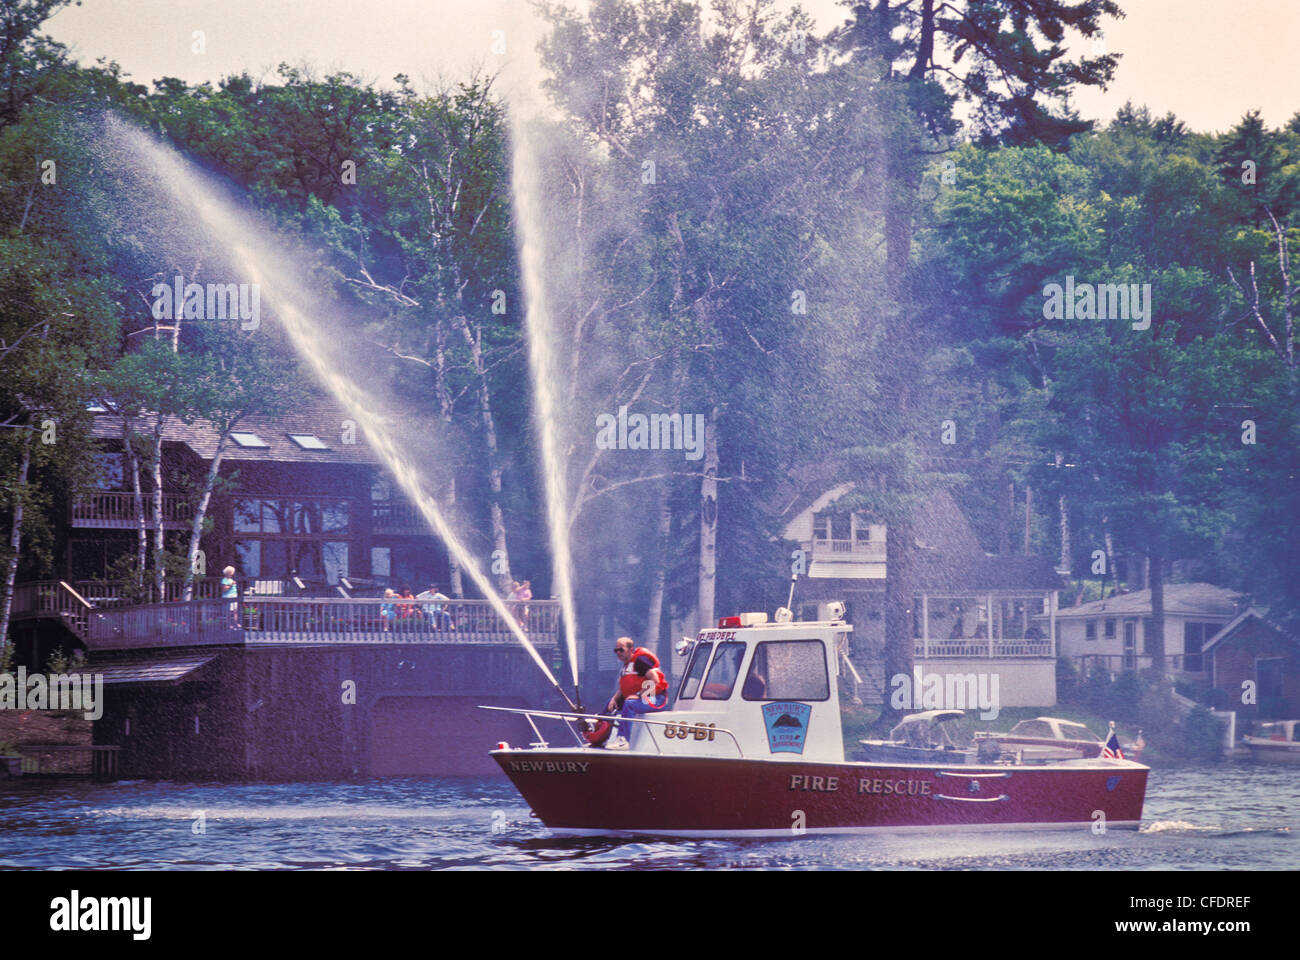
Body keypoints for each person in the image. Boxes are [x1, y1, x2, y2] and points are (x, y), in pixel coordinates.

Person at [610, 648, 669, 749]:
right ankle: (599, 737)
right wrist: (613, 699)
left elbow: (655, 680)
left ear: (629, 650)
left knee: (629, 704)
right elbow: (623, 688)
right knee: (611, 704)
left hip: (657, 699)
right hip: (646, 698)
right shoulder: (627, 668)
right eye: (616, 650)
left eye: (621, 650)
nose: (618, 653)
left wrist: (638, 695)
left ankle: (624, 740)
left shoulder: (640, 662)